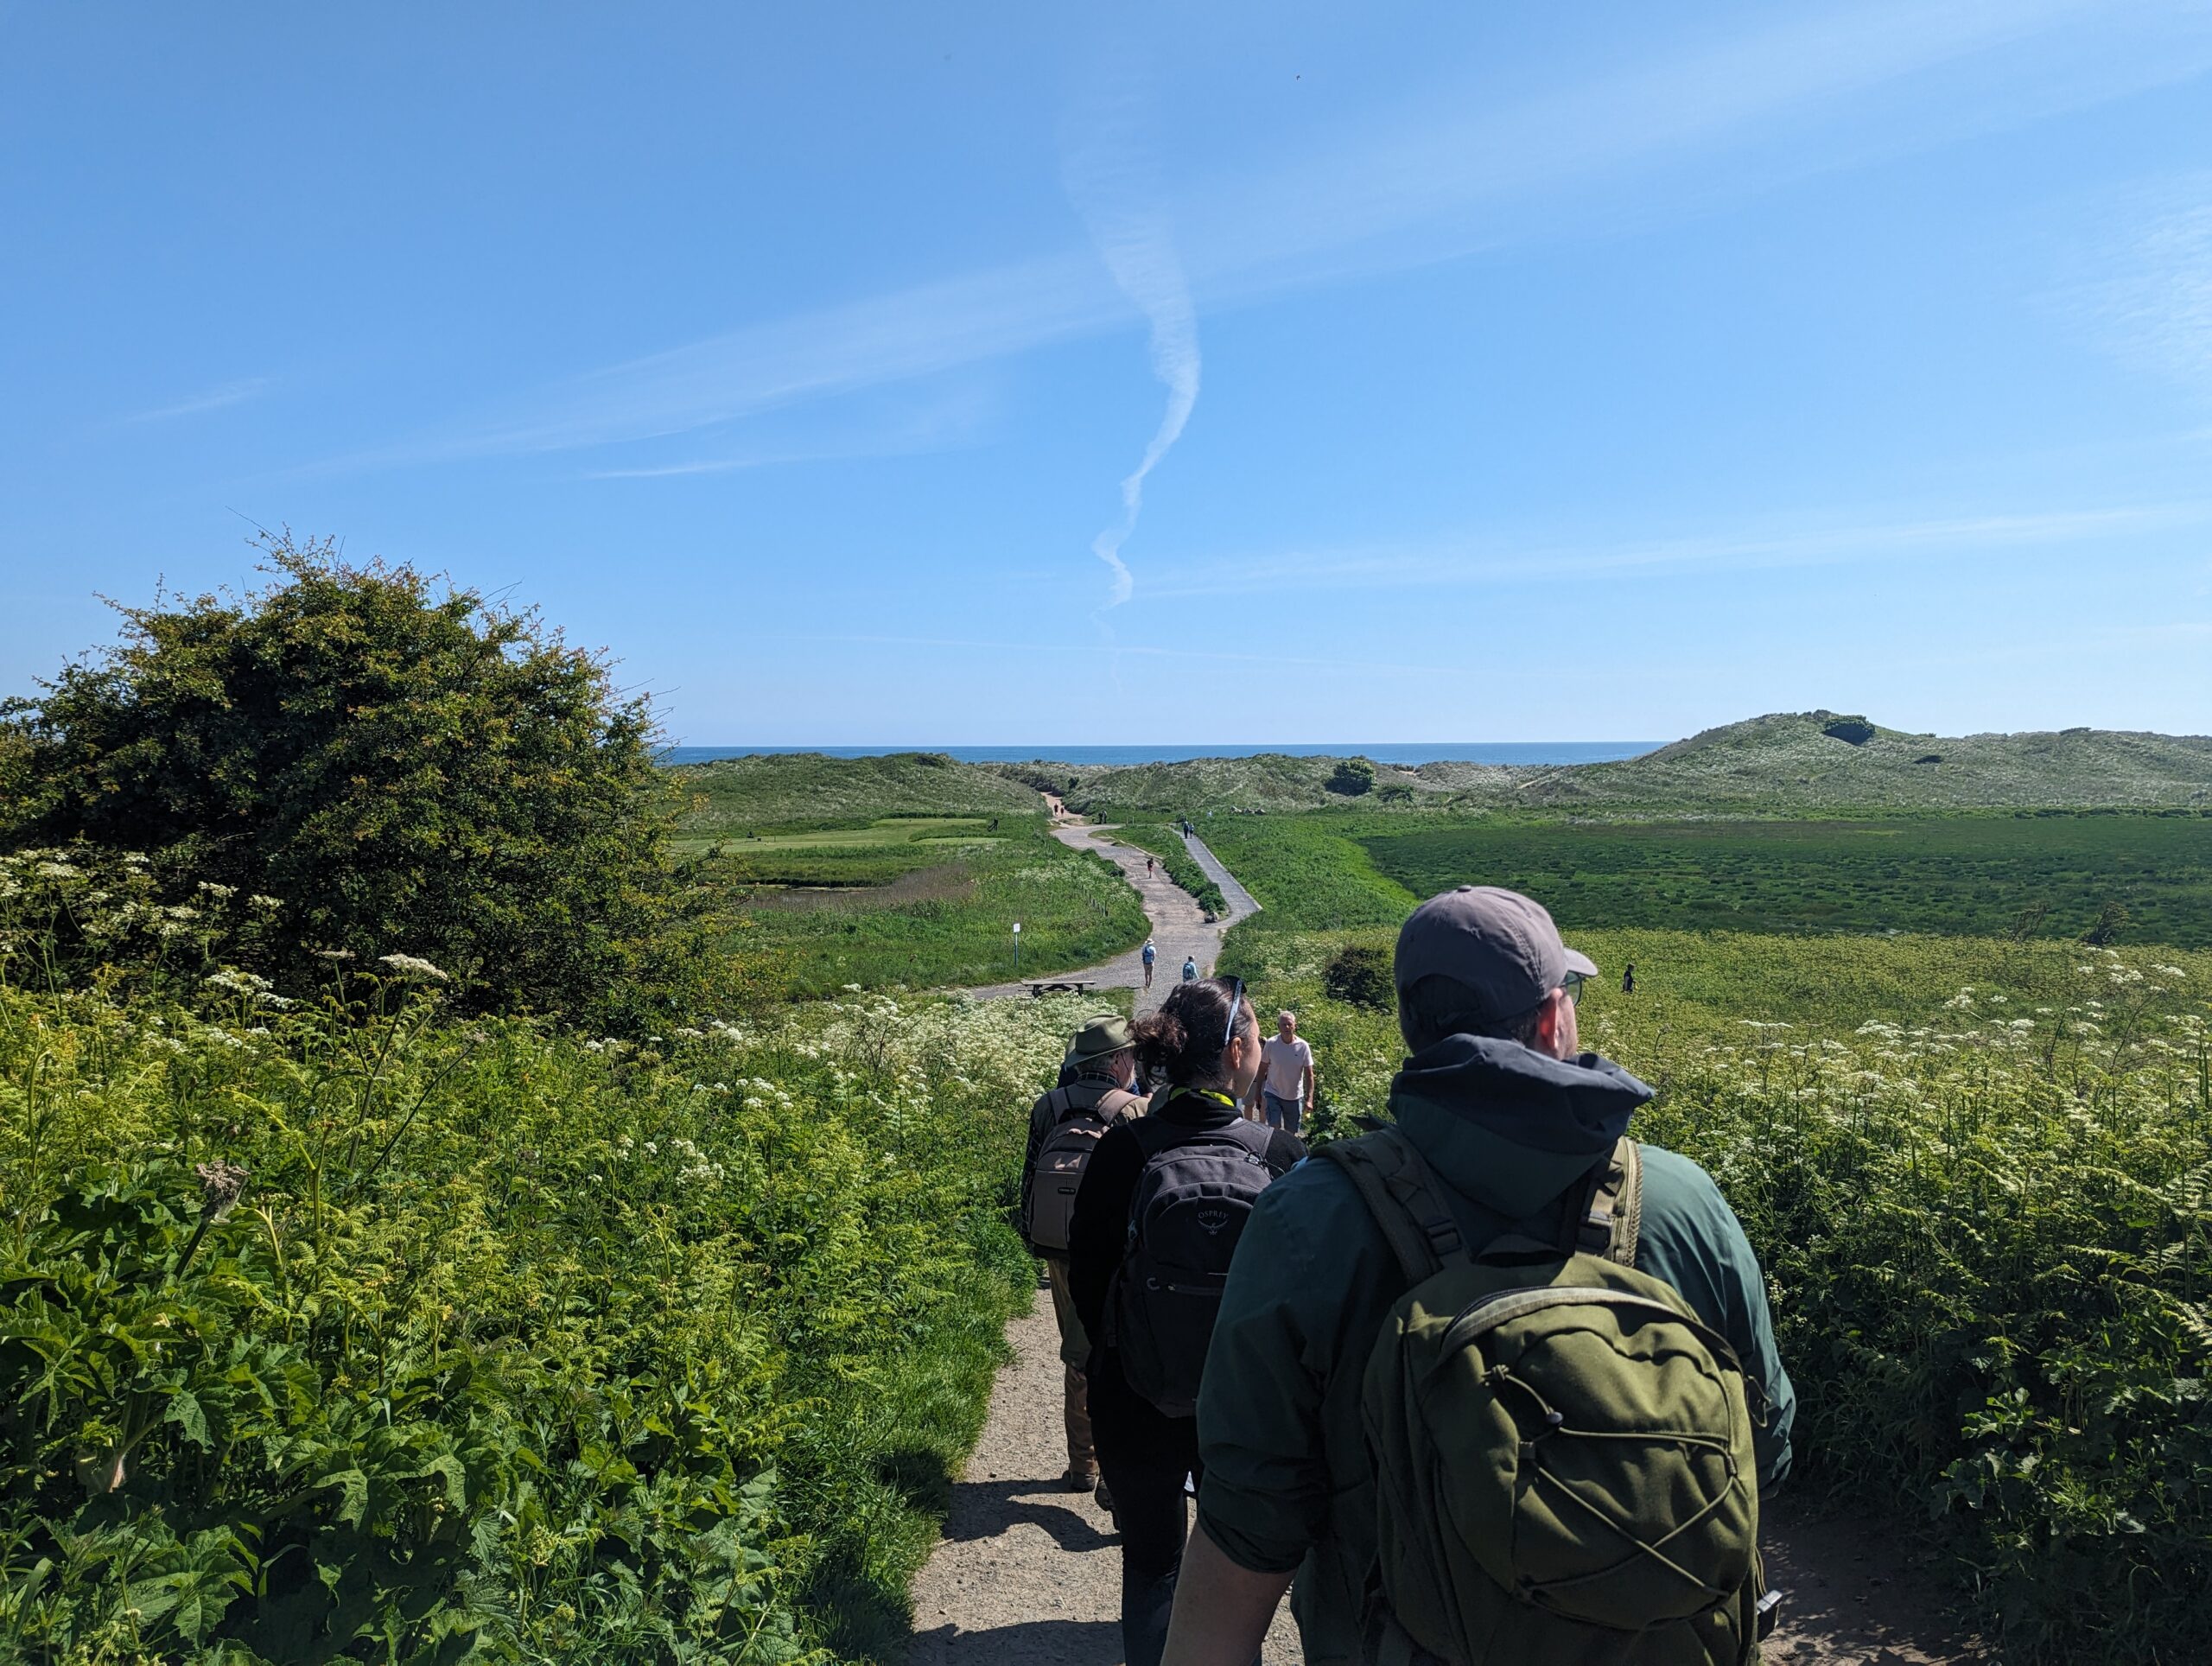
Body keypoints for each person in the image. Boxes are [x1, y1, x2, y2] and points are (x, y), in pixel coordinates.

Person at [1162, 886, 1797, 1666]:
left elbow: (1246, 1528)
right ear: (1551, 1020)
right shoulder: (1683, 1204)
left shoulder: (1311, 1222)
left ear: (1408, 1027)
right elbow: (1765, 1448)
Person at [1067, 979, 1304, 1666]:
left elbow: (1089, 1280)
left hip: (1135, 1399)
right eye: (1256, 1039)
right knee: (1231, 1577)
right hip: (1244, 1410)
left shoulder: (1123, 1150)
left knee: (1151, 1566)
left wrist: (1128, 1354)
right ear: (1235, 1051)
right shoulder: (1282, 1159)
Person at [1020, 1015, 1146, 1507]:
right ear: (1116, 1062)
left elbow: (1030, 1175)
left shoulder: (1047, 1106)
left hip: (1060, 1248)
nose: (1134, 1063)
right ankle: (1116, 1469)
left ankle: (1081, 1465)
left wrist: (1037, 1238)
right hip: (1115, 1254)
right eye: (1131, 1055)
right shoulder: (1135, 1111)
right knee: (1115, 1356)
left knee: (1077, 1353)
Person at [1249, 1009, 1314, 1134]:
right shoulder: (1271, 1044)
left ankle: (1289, 1152)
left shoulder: (1303, 1046)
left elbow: (1309, 1074)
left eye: (1290, 1024)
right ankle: (1275, 1151)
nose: (1287, 1027)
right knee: (1274, 1127)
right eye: (1283, 1024)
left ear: (1295, 1026)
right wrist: (1258, 1093)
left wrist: (1309, 1099)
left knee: (1291, 1131)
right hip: (1273, 1092)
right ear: (1278, 1027)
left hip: (1294, 1096)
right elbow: (1262, 1069)